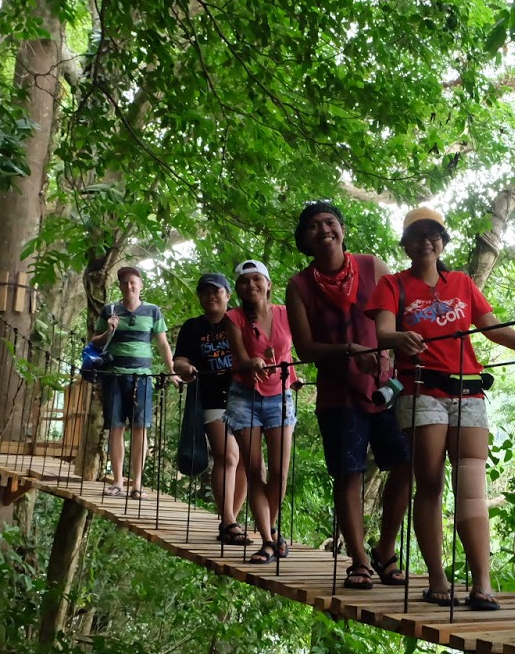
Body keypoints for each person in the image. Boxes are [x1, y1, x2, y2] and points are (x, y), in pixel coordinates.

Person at [368, 207, 515, 610]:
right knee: (431, 482)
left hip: (469, 390)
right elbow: (383, 332)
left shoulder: (460, 283)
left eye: (434, 234)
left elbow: (491, 327)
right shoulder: (393, 285)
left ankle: (482, 583)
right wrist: (400, 339)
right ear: (405, 244)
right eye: (419, 235)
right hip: (420, 389)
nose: (427, 241)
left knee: (472, 490)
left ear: (442, 242)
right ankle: (438, 577)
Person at [286, 202, 414, 590]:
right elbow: (305, 349)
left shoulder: (374, 267)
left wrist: (389, 353)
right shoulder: (299, 286)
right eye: (313, 227)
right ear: (305, 241)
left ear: (342, 230)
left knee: (406, 464)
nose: (323, 230)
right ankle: (358, 560)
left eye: (330, 223)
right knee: (348, 474)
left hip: (385, 387)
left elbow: (403, 316)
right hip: (338, 394)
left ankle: (385, 550)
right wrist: (348, 350)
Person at [226, 259, 299, 565]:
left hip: (280, 396)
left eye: (257, 279)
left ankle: (270, 528)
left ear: (269, 284)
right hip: (245, 397)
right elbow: (240, 356)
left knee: (280, 474)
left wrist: (294, 374)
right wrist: (252, 362)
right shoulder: (234, 317)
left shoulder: (286, 313)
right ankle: (268, 541)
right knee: (256, 471)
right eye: (244, 281)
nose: (251, 285)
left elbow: (289, 351)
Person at [171, 272, 248, 544]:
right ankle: (227, 520)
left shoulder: (241, 321)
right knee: (227, 456)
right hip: (212, 396)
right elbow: (179, 361)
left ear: (228, 295)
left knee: (246, 462)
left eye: (216, 291)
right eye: (204, 292)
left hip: (246, 395)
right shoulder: (193, 327)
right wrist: (184, 368)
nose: (210, 296)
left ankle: (230, 521)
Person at [91, 265, 179, 498]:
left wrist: (172, 370)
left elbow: (162, 344)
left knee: (140, 428)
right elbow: (95, 342)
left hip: (142, 378)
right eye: (124, 282)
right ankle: (118, 481)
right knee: (116, 427)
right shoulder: (109, 310)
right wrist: (108, 332)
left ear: (141, 285)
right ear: (119, 286)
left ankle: (137, 484)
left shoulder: (152, 312)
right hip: (114, 376)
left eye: (133, 282)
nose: (129, 286)